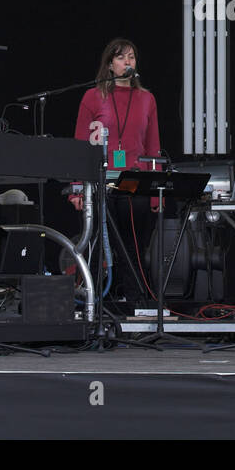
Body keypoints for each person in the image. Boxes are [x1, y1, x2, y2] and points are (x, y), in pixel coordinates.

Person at [71, 38, 161, 302]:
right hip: (100, 181)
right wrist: (77, 189)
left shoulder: (147, 99)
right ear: (110, 65)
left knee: (133, 246)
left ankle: (134, 303)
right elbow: (80, 146)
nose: (128, 62)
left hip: (134, 181)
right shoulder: (92, 96)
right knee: (99, 246)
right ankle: (96, 306)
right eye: (121, 58)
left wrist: (155, 193)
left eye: (132, 57)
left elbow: (153, 147)